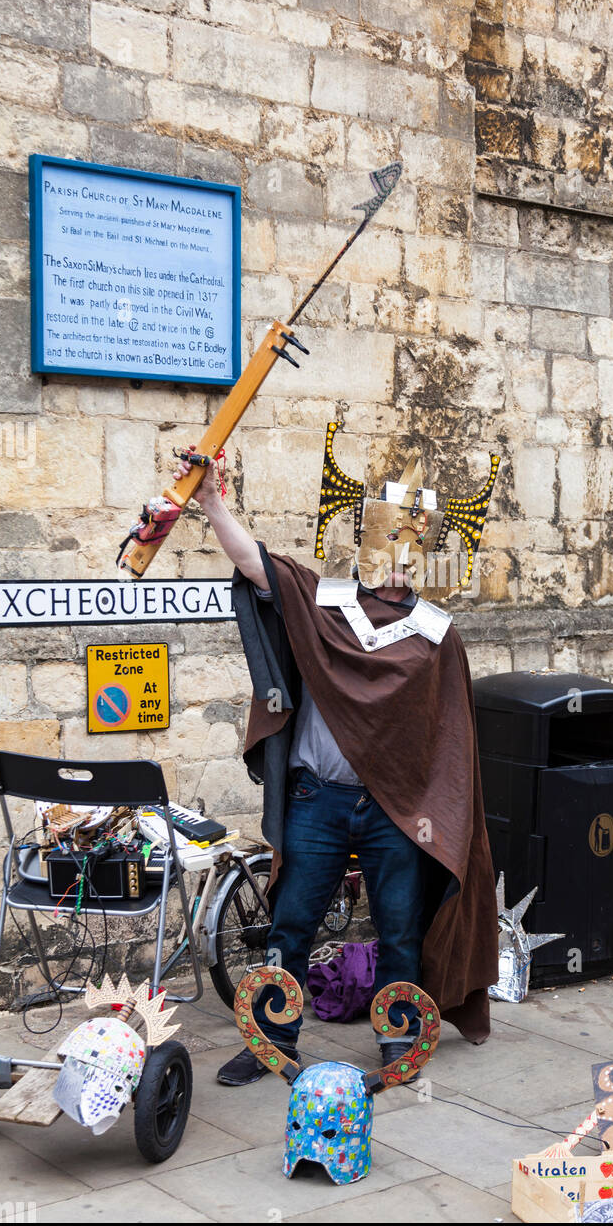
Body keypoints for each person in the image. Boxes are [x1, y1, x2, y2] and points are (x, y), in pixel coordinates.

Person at [173, 428, 500, 1085]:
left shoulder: (437, 637)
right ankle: (271, 1040)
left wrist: (444, 818)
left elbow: (453, 748)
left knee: (401, 933)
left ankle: (398, 1041)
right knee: (290, 927)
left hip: (396, 812)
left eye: (414, 549)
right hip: (316, 799)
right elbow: (256, 566)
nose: (400, 562)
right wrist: (212, 503)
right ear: (365, 545)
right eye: (389, 544)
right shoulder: (322, 603)